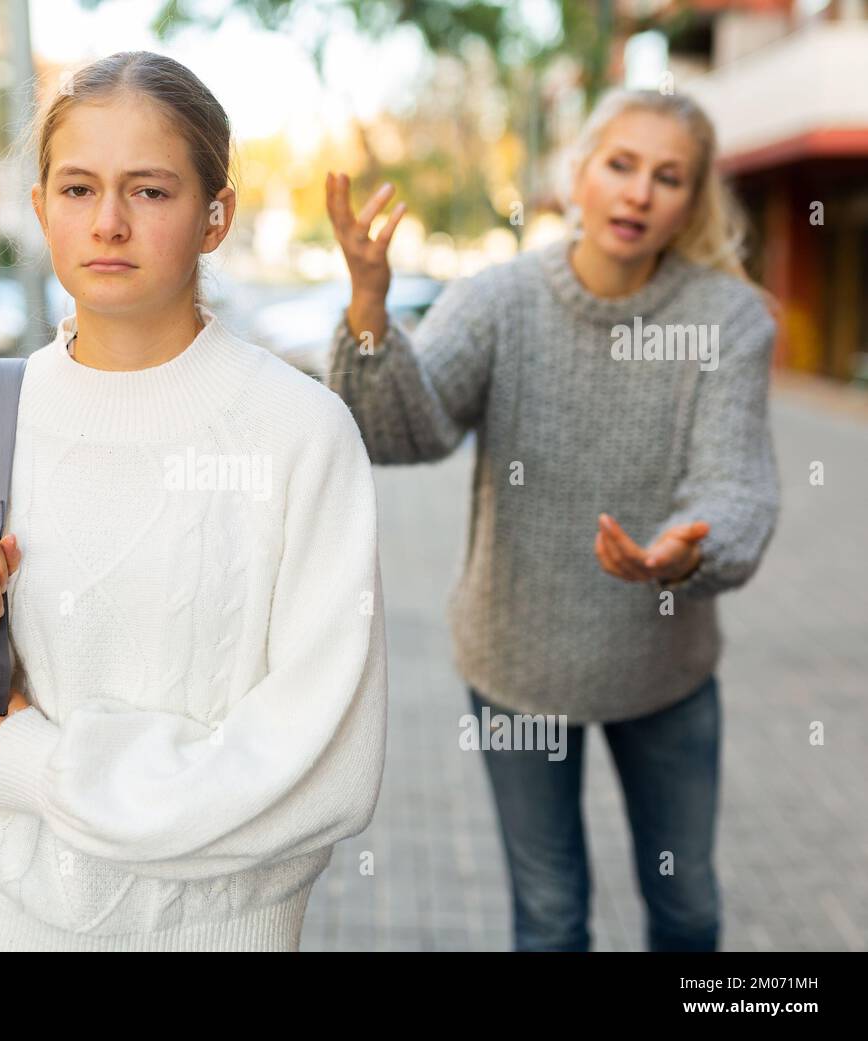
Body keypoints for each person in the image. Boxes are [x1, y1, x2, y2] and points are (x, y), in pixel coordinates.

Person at [0, 50, 387, 952]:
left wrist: (30, 766)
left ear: (215, 217)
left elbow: (319, 775)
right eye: (76, 189)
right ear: (39, 210)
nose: (107, 223)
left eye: (149, 191)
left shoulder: (304, 433)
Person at [323, 87, 779, 952]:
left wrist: (682, 554)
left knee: (685, 909)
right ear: (579, 174)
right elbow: (401, 432)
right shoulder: (502, 299)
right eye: (621, 165)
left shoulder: (726, 320)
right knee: (549, 917)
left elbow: (738, 487)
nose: (640, 193)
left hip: (663, 664)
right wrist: (372, 313)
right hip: (518, 663)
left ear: (693, 199)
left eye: (669, 176)